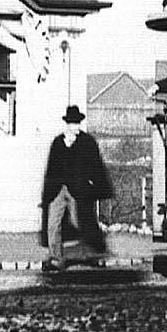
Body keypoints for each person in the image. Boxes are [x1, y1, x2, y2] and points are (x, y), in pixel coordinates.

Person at [42, 105, 114, 270]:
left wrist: (100, 186)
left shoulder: (87, 142)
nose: (74, 126)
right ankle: (56, 258)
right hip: (58, 189)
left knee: (83, 222)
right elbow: (51, 167)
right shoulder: (58, 142)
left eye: (76, 123)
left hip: (78, 189)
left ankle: (94, 255)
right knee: (53, 224)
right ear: (66, 124)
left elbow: (96, 165)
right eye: (71, 123)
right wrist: (47, 193)